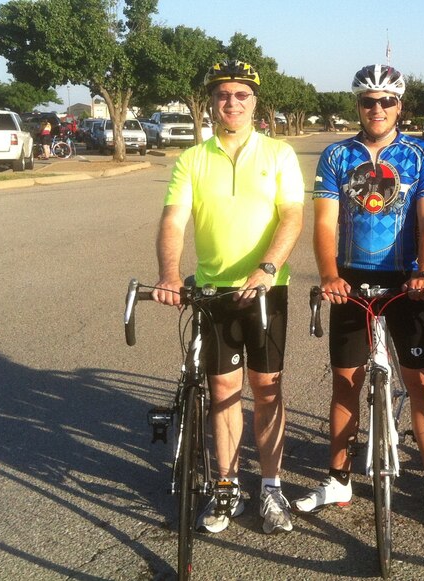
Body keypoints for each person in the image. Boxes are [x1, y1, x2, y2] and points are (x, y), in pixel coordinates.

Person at [294, 64, 424, 522]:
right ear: (358, 106)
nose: (377, 108)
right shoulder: (336, 155)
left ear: (399, 106)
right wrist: (330, 274)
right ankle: (338, 479)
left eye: (386, 101)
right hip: (349, 280)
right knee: (346, 382)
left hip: (408, 280)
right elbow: (325, 223)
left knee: (420, 381)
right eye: (368, 101)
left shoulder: (420, 153)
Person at [152, 59, 305, 535]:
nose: (232, 102)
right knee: (222, 391)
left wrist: (266, 269)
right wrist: (170, 274)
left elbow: (292, 217)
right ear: (212, 102)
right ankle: (226, 485)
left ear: (255, 102)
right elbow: (175, 220)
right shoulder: (192, 159)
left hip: (265, 292)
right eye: (223, 95)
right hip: (214, 293)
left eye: (241, 94)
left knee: (267, 389)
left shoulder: (279, 154)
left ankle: (273, 486)